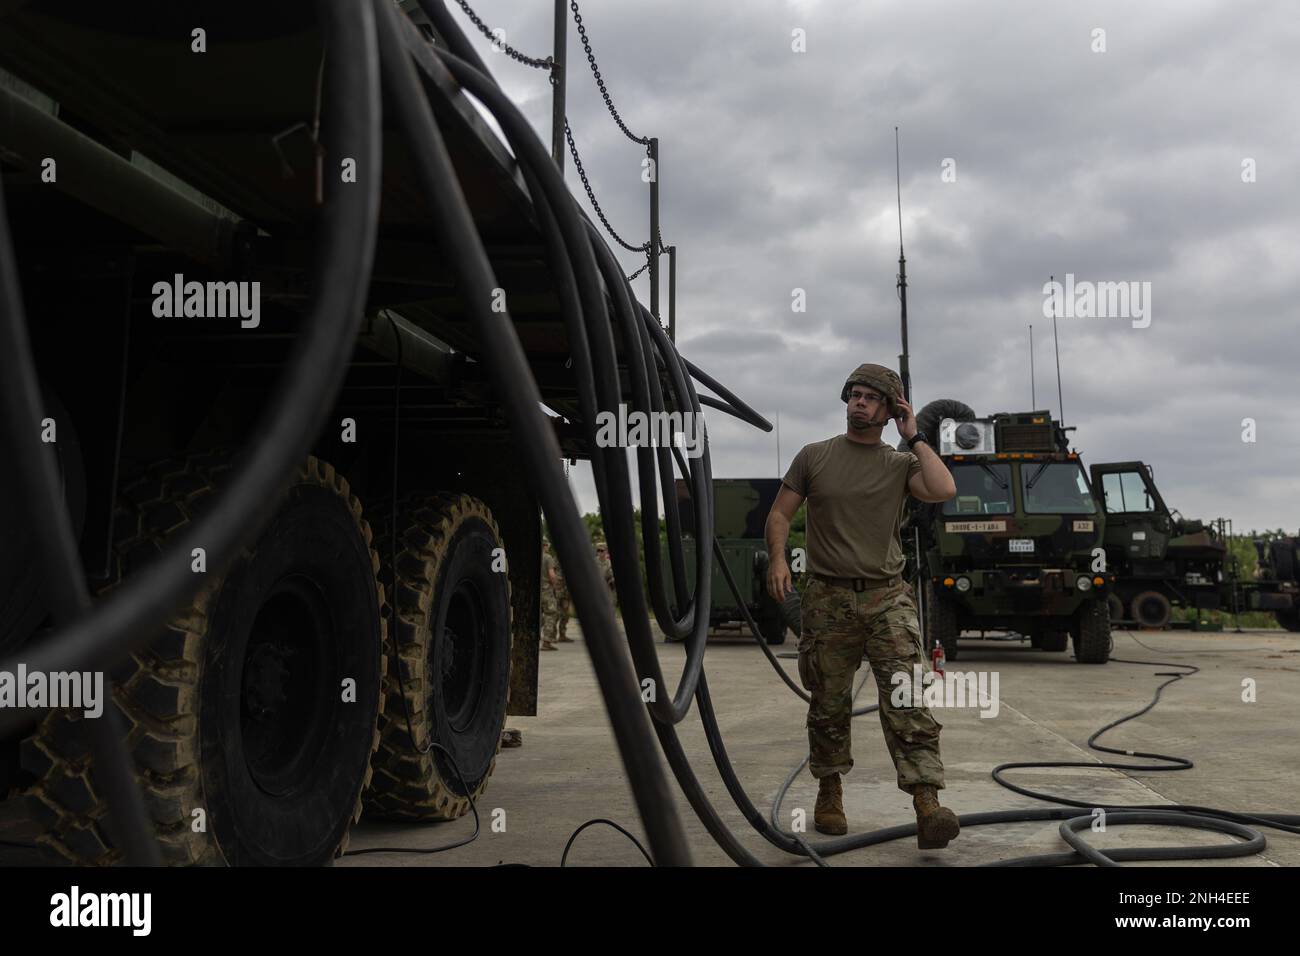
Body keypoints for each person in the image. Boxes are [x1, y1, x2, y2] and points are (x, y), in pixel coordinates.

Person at [765, 363, 961, 849]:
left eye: (871, 397)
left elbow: (944, 490)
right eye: (854, 394)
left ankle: (926, 804)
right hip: (827, 595)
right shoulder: (815, 456)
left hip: (887, 595)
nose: (859, 402)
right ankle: (829, 792)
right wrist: (776, 559)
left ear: (889, 409)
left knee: (906, 696)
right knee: (828, 701)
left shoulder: (901, 465)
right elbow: (779, 513)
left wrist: (913, 436)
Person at [540, 540, 560, 651]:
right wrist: (555, 585)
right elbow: (552, 575)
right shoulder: (548, 558)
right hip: (547, 591)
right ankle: (546, 642)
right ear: (545, 546)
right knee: (550, 614)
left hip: (539, 591)